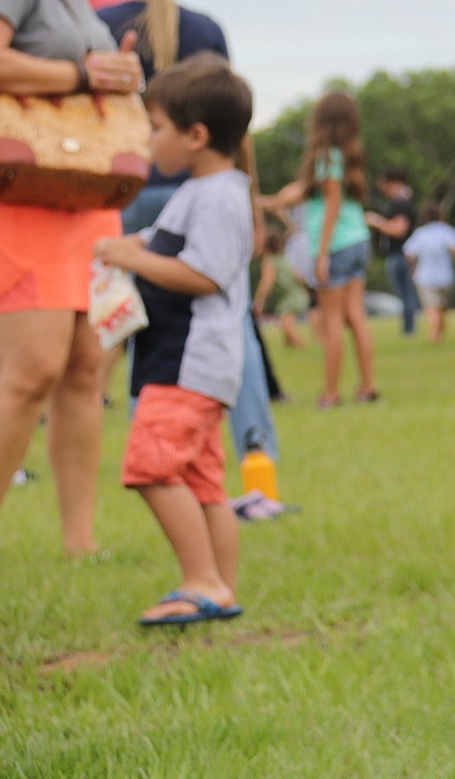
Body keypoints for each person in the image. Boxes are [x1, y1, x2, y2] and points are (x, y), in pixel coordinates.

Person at [0, 0, 143, 556]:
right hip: (26, 196)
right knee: (30, 372)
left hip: (87, 198)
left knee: (87, 367)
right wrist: (86, 77)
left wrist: (113, 74)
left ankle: (79, 545)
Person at [92, 57, 253, 626]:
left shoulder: (216, 198)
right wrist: (127, 246)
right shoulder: (202, 193)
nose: (147, 137)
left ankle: (201, 579)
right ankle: (222, 587)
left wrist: (134, 257)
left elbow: (204, 274)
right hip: (189, 365)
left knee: (151, 469)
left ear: (197, 135)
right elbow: (164, 246)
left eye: (155, 126)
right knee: (202, 481)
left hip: (186, 365)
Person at [96, 0, 232, 233]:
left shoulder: (101, 23)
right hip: (198, 186)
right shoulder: (207, 30)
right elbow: (230, 119)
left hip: (123, 183)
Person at [265, 92, 378, 408]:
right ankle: (368, 388)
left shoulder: (326, 157)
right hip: (358, 241)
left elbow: (332, 204)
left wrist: (323, 252)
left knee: (331, 321)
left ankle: (330, 393)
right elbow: (306, 194)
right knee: (355, 317)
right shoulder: (349, 155)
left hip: (337, 245)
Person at [403, 205, 455, 345]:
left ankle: (436, 332)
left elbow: (408, 252)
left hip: (425, 275)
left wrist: (414, 266)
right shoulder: (447, 231)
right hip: (446, 276)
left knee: (431, 306)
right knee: (441, 306)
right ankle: (436, 333)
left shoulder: (420, 233)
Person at [367, 170, 418, 338]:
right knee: (403, 294)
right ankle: (408, 329)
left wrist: (377, 222)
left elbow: (399, 230)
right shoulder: (399, 202)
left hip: (401, 255)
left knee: (406, 294)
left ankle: (409, 330)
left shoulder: (402, 204)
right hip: (397, 254)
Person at [253, 231, 307, 349]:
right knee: (285, 323)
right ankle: (291, 350)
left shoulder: (269, 262)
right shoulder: (284, 258)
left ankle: (303, 348)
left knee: (285, 322)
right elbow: (299, 277)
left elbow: (266, 282)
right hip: (298, 294)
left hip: (292, 297)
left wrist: (259, 300)